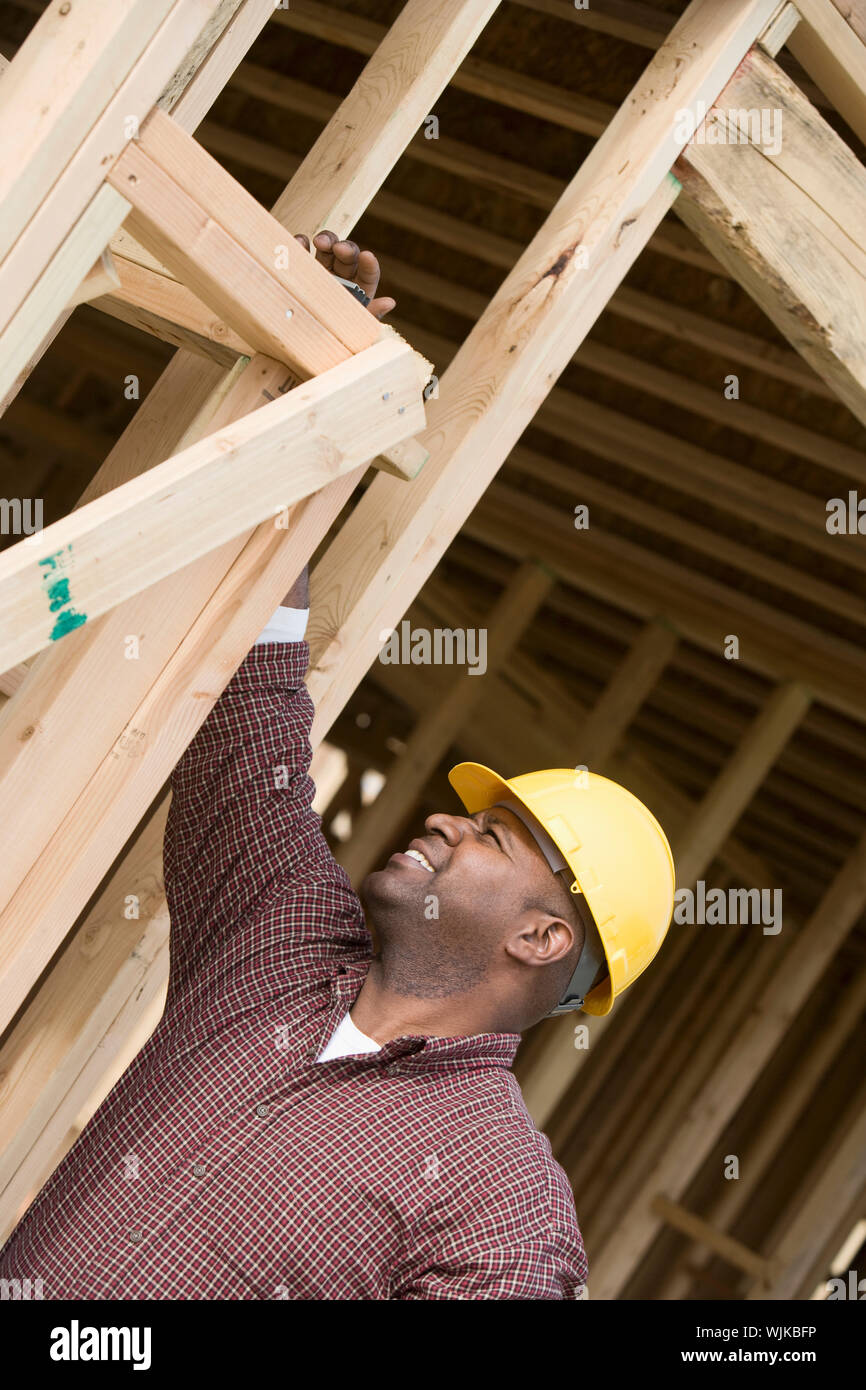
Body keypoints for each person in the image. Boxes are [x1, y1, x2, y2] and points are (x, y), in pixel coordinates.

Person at [0, 233, 675, 1300]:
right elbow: (256, 697)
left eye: (492, 836)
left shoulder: (498, 1205)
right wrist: (320, 390)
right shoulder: (277, 931)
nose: (449, 824)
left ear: (541, 936)